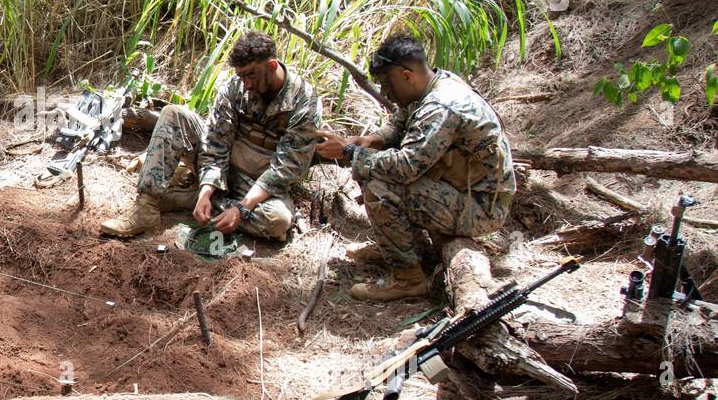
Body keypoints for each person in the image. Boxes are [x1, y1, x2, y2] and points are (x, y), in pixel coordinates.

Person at [316, 33, 516, 302]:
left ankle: (408, 278)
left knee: (379, 182)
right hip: (464, 193)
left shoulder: (442, 105)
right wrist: (373, 140)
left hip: (481, 208)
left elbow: (406, 168)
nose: (384, 93)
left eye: (387, 84)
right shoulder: (433, 84)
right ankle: (410, 250)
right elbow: (400, 122)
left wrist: (350, 151)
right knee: (373, 163)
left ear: (406, 76)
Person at [101, 31, 320, 241]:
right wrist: (207, 189)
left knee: (277, 221)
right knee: (173, 114)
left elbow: (285, 169)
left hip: (258, 183)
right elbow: (215, 142)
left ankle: (187, 199)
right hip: (224, 166)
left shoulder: (304, 102)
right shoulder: (236, 87)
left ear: (272, 66)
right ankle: (146, 209)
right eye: (241, 76)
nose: (247, 84)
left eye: (252, 75)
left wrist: (242, 208)